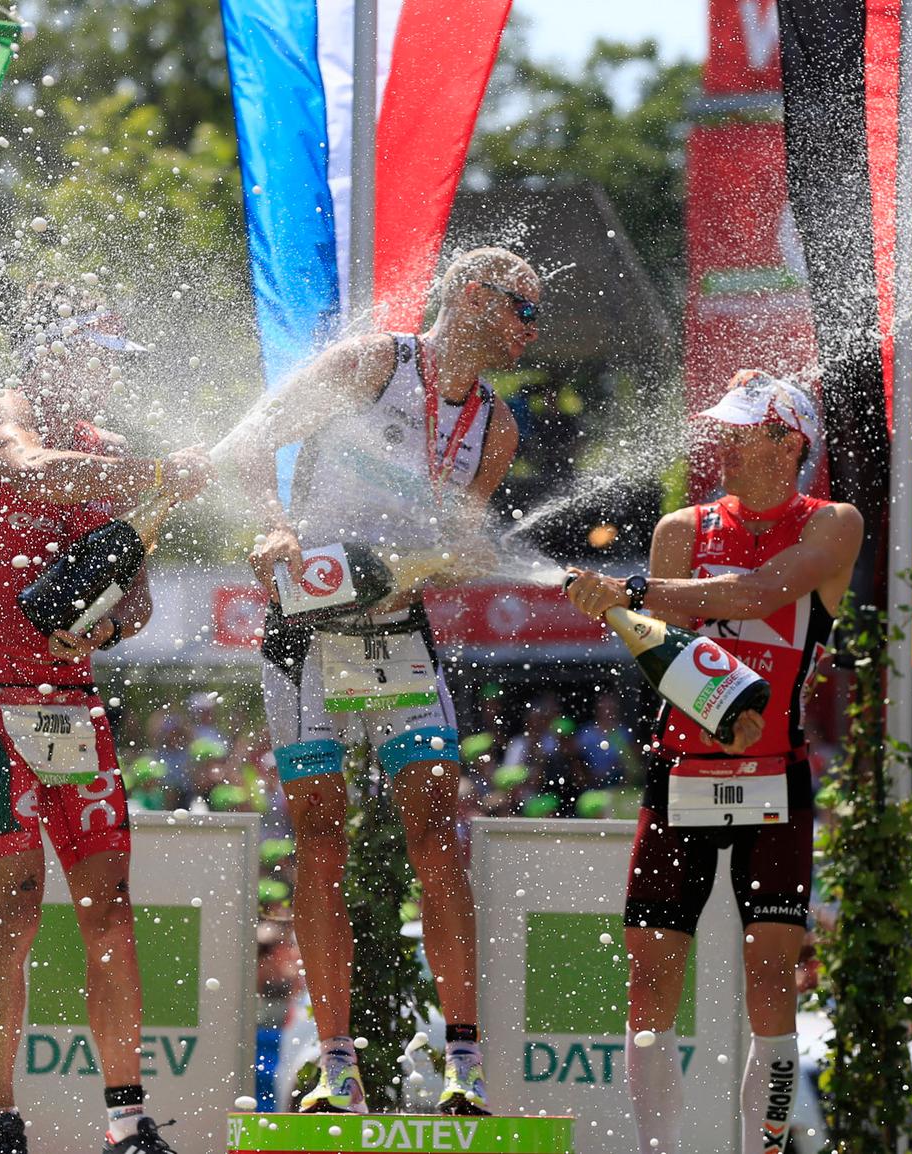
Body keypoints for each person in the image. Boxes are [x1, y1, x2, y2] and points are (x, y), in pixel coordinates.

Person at [234, 246, 539, 1115]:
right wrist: (274, 528)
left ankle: (465, 1066)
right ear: (474, 299)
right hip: (304, 627)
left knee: (437, 839)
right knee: (321, 841)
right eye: (524, 310)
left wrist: (460, 556)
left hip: (397, 631)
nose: (531, 332)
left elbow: (459, 541)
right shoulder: (372, 362)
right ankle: (335, 1068)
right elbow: (255, 438)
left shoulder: (497, 427)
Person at [565, 370, 862, 1154]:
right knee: (649, 975)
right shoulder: (680, 527)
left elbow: (760, 593)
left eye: (740, 433)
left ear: (788, 442)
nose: (721, 445)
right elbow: (658, 642)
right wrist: (616, 607)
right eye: (721, 431)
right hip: (681, 773)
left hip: (775, 776)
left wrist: (632, 589)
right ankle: (657, 1150)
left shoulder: (833, 521)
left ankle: (762, 1149)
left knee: (770, 975)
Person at [0, 282, 208, 1154]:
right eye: (92, 358)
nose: (102, 380)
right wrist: (158, 473)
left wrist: (111, 615)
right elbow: (27, 469)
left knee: (112, 908)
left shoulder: (116, 450)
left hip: (74, 705)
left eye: (113, 363)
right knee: (15, 910)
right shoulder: (3, 412)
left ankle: (127, 1121)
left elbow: (134, 601)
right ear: (50, 352)